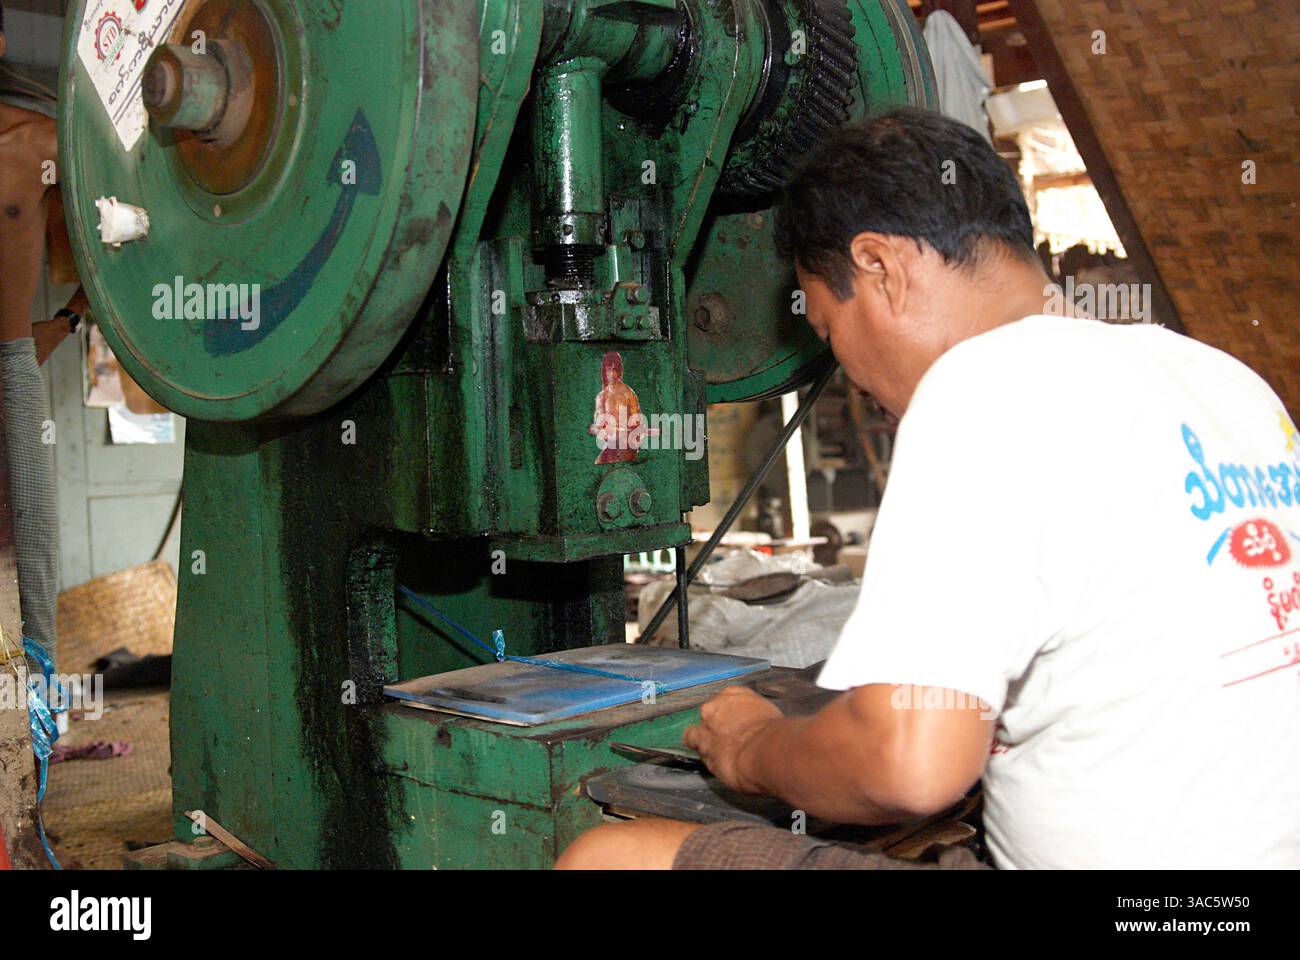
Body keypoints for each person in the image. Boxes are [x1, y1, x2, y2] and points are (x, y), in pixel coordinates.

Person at [557, 107, 1300, 869]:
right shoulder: (1221, 378)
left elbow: (909, 763)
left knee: (609, 859)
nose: (844, 366)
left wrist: (755, 747)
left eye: (826, 329)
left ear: (879, 266)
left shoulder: (980, 389)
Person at [0, 3, 86, 672]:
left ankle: (34, 757)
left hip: (9, 369)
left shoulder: (41, 145)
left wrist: (74, 318)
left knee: (31, 571)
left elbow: (145, 208)